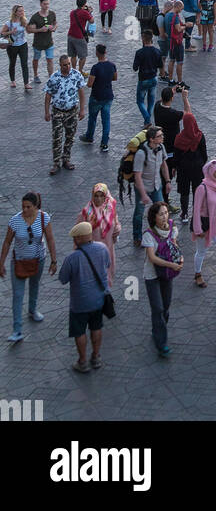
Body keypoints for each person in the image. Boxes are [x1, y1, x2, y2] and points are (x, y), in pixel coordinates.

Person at [0, 192, 57, 342]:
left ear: (35, 206)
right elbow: (7, 242)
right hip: (19, 261)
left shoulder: (44, 218)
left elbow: (50, 239)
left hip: (38, 260)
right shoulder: (15, 221)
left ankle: (32, 310)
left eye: (28, 207)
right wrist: (1, 263)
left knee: (34, 285)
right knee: (17, 295)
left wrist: (53, 260)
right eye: (23, 207)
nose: (24, 210)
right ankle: (17, 330)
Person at [59, 220, 112, 374]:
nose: (74, 240)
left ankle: (82, 361)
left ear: (79, 238)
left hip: (79, 302)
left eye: (75, 238)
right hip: (98, 300)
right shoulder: (102, 248)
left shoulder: (72, 258)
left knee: (79, 332)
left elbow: (63, 279)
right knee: (96, 327)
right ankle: (95, 357)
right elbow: (107, 264)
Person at [142, 199, 183, 357]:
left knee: (165, 306)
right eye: (161, 214)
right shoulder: (149, 235)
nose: (165, 216)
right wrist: (171, 265)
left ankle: (158, 328)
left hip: (166, 274)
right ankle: (161, 343)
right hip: (152, 275)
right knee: (158, 308)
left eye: (166, 213)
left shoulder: (172, 228)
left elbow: (174, 246)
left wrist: (180, 259)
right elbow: (152, 258)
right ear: (154, 217)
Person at [44, 54, 86, 175]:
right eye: (64, 65)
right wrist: (47, 112)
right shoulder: (54, 78)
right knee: (57, 137)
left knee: (70, 136)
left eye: (68, 64)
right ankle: (56, 163)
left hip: (72, 111)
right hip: (57, 111)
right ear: (60, 65)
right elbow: (48, 95)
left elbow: (81, 93)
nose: (67, 67)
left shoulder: (76, 75)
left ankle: (66, 159)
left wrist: (82, 109)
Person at [192, 159, 216, 286]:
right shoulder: (202, 188)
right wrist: (198, 230)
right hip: (205, 225)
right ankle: (197, 273)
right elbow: (196, 210)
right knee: (201, 252)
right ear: (209, 172)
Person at [132, 125, 170, 247]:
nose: (162, 138)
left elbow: (164, 165)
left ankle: (161, 234)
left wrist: (168, 181)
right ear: (152, 139)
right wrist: (143, 195)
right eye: (159, 136)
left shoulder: (161, 147)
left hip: (156, 185)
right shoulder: (141, 154)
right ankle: (137, 236)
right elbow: (137, 176)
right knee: (139, 212)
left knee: (161, 210)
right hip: (143, 186)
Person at [77, 183, 121, 285]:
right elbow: (78, 234)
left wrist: (117, 229)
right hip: (92, 254)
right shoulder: (86, 213)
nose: (98, 199)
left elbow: (116, 222)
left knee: (107, 279)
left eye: (102, 196)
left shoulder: (110, 209)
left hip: (108, 250)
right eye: (96, 196)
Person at [172, 108, 207, 223]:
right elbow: (204, 154)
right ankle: (196, 213)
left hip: (183, 169)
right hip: (198, 168)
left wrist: (174, 167)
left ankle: (185, 213)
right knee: (197, 191)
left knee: (184, 192)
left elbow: (176, 157)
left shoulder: (179, 138)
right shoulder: (200, 136)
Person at [81, 43, 117, 152]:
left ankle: (89, 136)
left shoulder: (95, 68)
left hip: (96, 96)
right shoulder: (112, 65)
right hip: (108, 96)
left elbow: (90, 84)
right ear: (105, 52)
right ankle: (104, 143)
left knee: (92, 118)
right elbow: (115, 78)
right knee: (106, 120)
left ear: (97, 53)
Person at [132, 30, 162, 125]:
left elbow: (135, 68)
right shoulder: (157, 51)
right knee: (151, 101)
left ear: (143, 39)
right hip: (153, 78)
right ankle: (147, 122)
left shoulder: (139, 52)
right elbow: (160, 65)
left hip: (143, 79)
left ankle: (147, 119)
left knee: (140, 101)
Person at [27, 0, 56, 84]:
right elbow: (29, 30)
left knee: (50, 60)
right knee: (36, 59)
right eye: (44, 4)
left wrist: (53, 28)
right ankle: (36, 75)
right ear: (40, 4)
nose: (46, 6)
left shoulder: (52, 14)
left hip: (49, 42)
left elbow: (55, 23)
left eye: (48, 4)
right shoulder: (35, 17)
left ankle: (51, 77)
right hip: (38, 43)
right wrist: (40, 30)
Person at [2, 5, 31, 90]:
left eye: (23, 11)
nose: (22, 12)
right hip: (12, 46)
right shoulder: (9, 23)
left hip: (23, 45)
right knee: (12, 63)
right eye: (20, 11)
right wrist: (11, 32)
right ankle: (12, 81)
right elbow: (2, 33)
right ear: (15, 12)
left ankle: (26, 83)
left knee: (24, 64)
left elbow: (29, 31)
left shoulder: (24, 21)